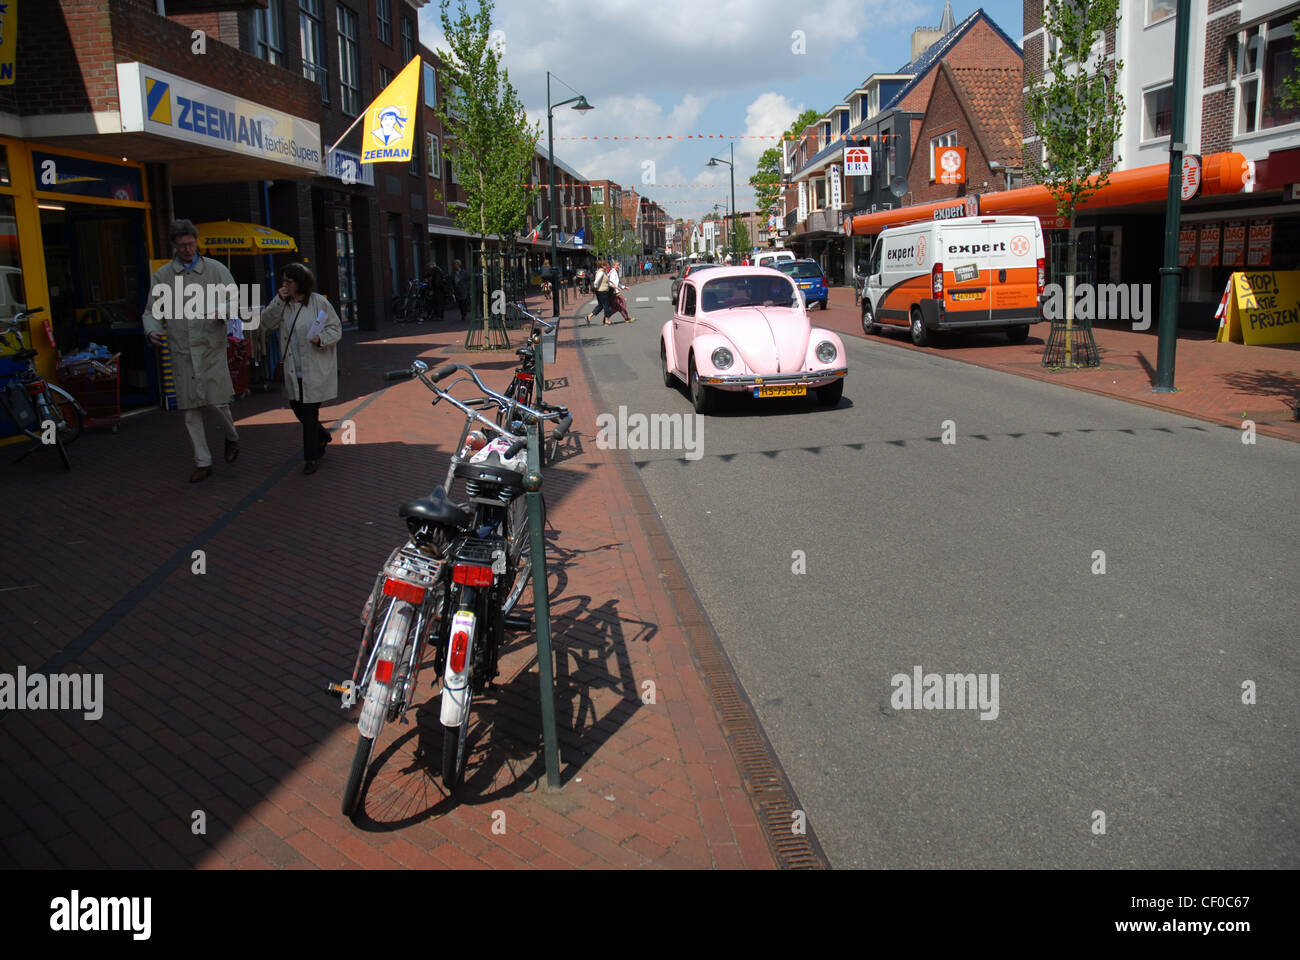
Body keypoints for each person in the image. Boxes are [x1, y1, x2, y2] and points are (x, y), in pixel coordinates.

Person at [142, 218, 242, 483]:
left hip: (210, 349)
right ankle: (203, 461)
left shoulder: (216, 270)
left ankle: (232, 437)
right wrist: (152, 329)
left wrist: (224, 311)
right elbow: (152, 310)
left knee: (217, 403)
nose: (187, 249)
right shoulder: (163, 276)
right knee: (189, 410)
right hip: (182, 352)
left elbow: (236, 299)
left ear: (196, 242)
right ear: (174, 245)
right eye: (182, 245)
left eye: (191, 243)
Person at [259, 263, 342, 475]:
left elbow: (335, 328)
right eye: (283, 281)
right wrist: (278, 299)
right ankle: (322, 436)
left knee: (309, 412)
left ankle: (311, 458)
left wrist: (321, 338)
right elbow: (266, 322)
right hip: (292, 369)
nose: (285, 285)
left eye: (289, 281)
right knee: (299, 410)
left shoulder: (318, 303)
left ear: (300, 283)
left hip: (314, 368)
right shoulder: (282, 304)